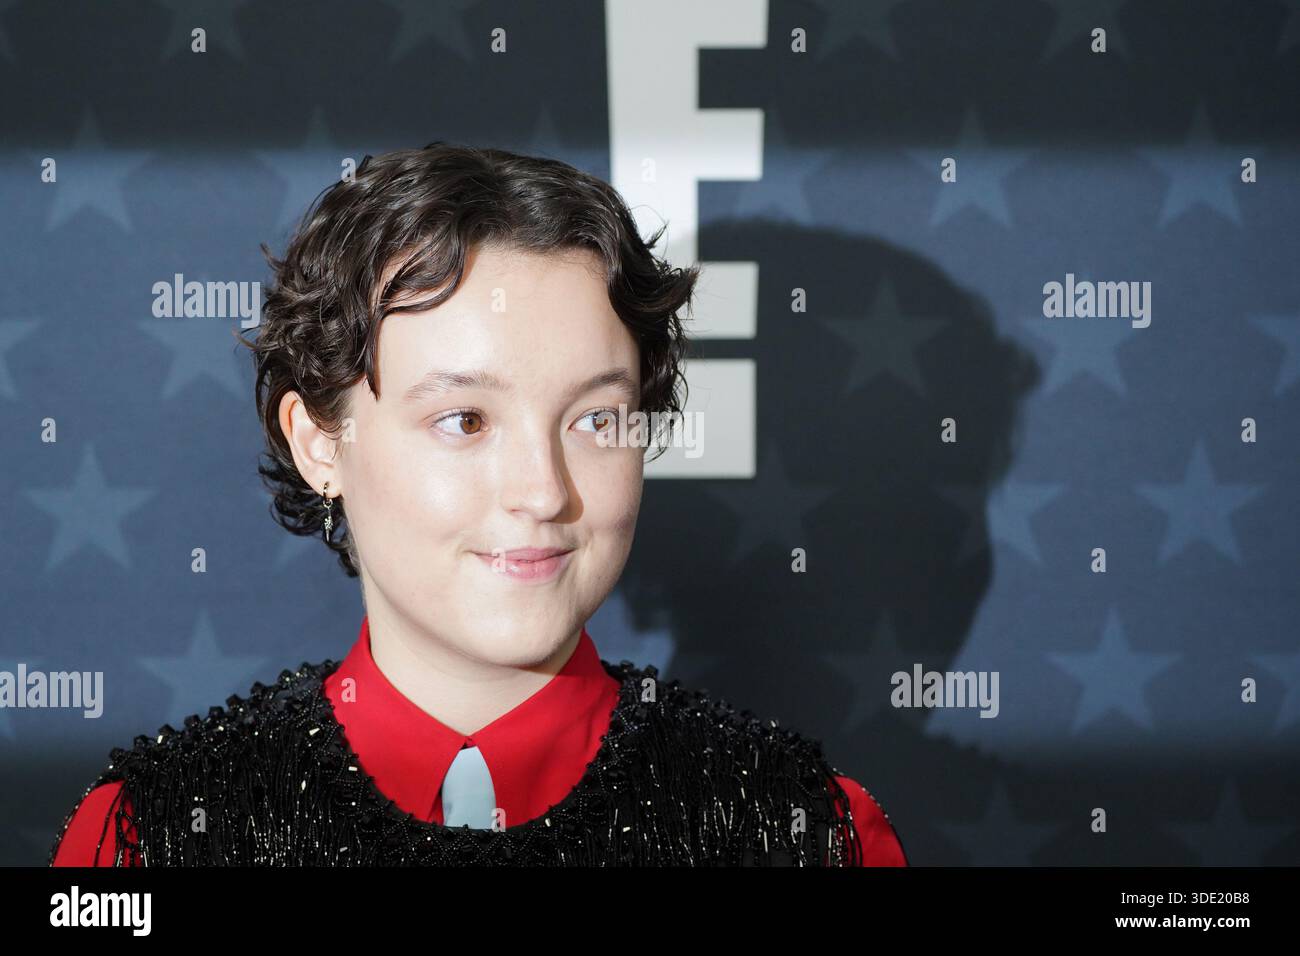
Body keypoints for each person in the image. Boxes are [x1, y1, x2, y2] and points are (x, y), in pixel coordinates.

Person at [49, 142, 907, 866]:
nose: (542, 491)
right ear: (320, 442)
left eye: (595, 419)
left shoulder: (809, 831)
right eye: (464, 420)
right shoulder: (145, 837)